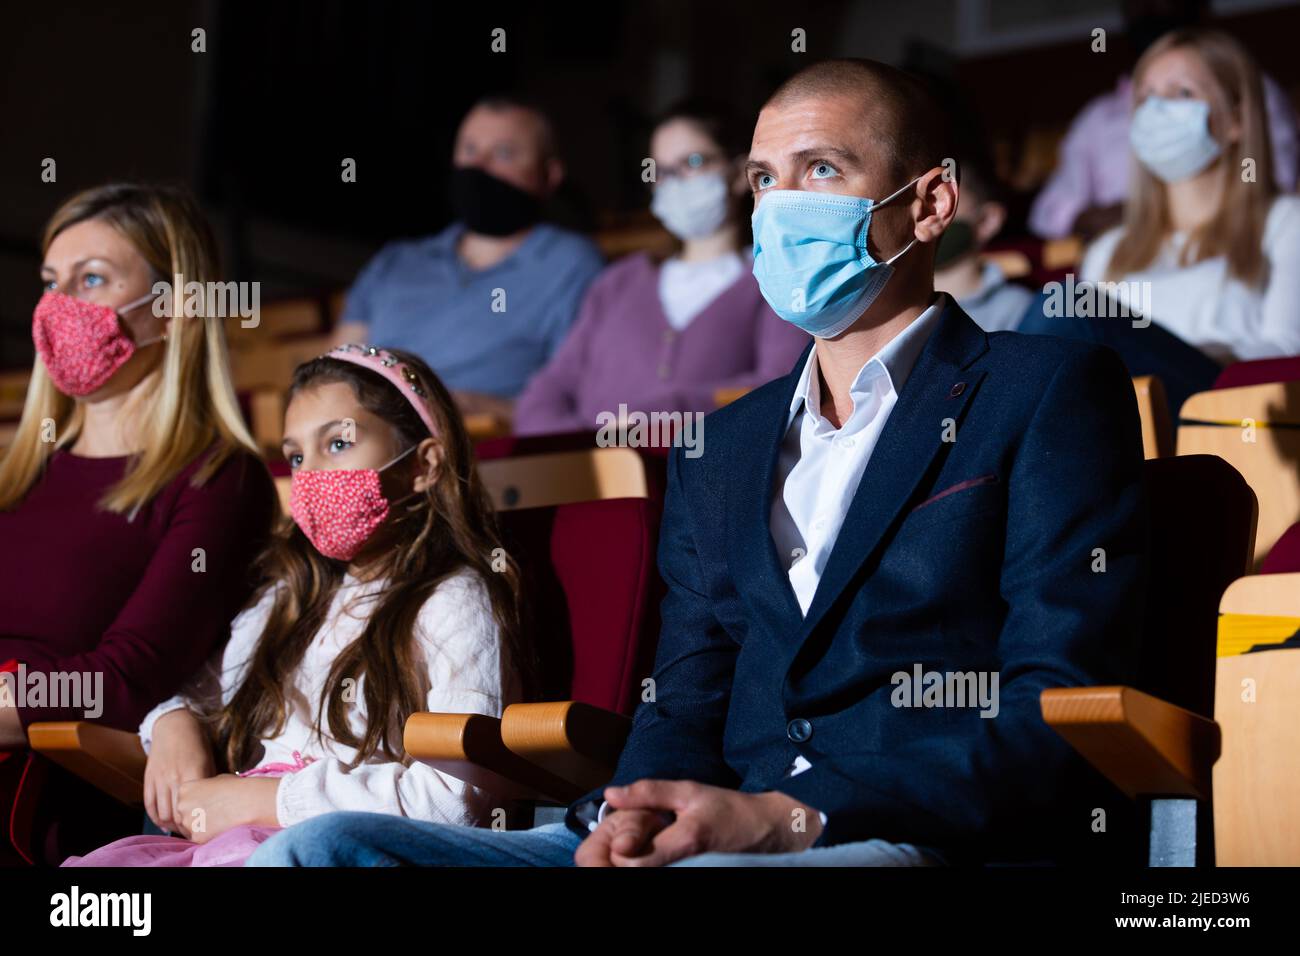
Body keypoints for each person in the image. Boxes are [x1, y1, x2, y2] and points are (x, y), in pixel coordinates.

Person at [248, 57, 1146, 869]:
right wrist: (636, 814)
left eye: (821, 170)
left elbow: (1055, 702)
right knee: (326, 849)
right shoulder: (720, 445)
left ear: (931, 202)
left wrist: (789, 815)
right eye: (763, 178)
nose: (782, 204)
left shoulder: (1046, 389)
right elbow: (685, 696)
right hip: (704, 834)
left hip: (900, 831)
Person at [63, 346, 528, 866]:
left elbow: (459, 798)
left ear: (422, 465)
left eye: (338, 443)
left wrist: (269, 800)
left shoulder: (455, 601)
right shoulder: (287, 597)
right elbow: (193, 690)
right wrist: (174, 724)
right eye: (298, 457)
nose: (311, 476)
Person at [0, 184, 277, 864]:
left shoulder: (218, 477)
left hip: (53, 788)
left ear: (176, 306)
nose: (58, 307)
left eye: (91, 279)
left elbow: (125, 680)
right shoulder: (19, 471)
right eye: (49, 282)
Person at [1020, 27, 1300, 413]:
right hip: (1115, 419)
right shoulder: (1109, 248)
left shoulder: (1286, 222)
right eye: (1146, 96)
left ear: (1235, 120)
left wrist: (1172, 349)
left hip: (1221, 403)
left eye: (1182, 93)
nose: (1157, 110)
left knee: (1065, 304)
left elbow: (1287, 347)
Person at [513, 101, 807, 435]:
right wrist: (587, 453)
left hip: (704, 476)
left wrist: (654, 421)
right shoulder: (618, 282)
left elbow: (780, 388)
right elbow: (548, 391)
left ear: (741, 173)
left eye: (693, 163)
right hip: (592, 477)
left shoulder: (775, 278)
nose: (675, 182)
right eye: (662, 171)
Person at [333, 96, 605, 425]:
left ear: (549, 175)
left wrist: (469, 408)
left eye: (503, 153)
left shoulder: (572, 265)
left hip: (492, 456)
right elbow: (333, 379)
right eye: (470, 150)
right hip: (371, 445)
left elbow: (585, 404)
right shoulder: (394, 262)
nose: (479, 166)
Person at [1029, 0, 1298, 241]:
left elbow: (1273, 179)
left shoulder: (1250, 90)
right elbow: (1049, 210)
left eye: (1183, 93)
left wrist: (1177, 210)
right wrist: (1101, 217)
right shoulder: (1098, 117)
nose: (1147, 7)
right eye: (1147, 95)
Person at [932, 153, 1035, 333]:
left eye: (942, 198)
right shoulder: (893, 307)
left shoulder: (1019, 310)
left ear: (988, 220)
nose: (927, 213)